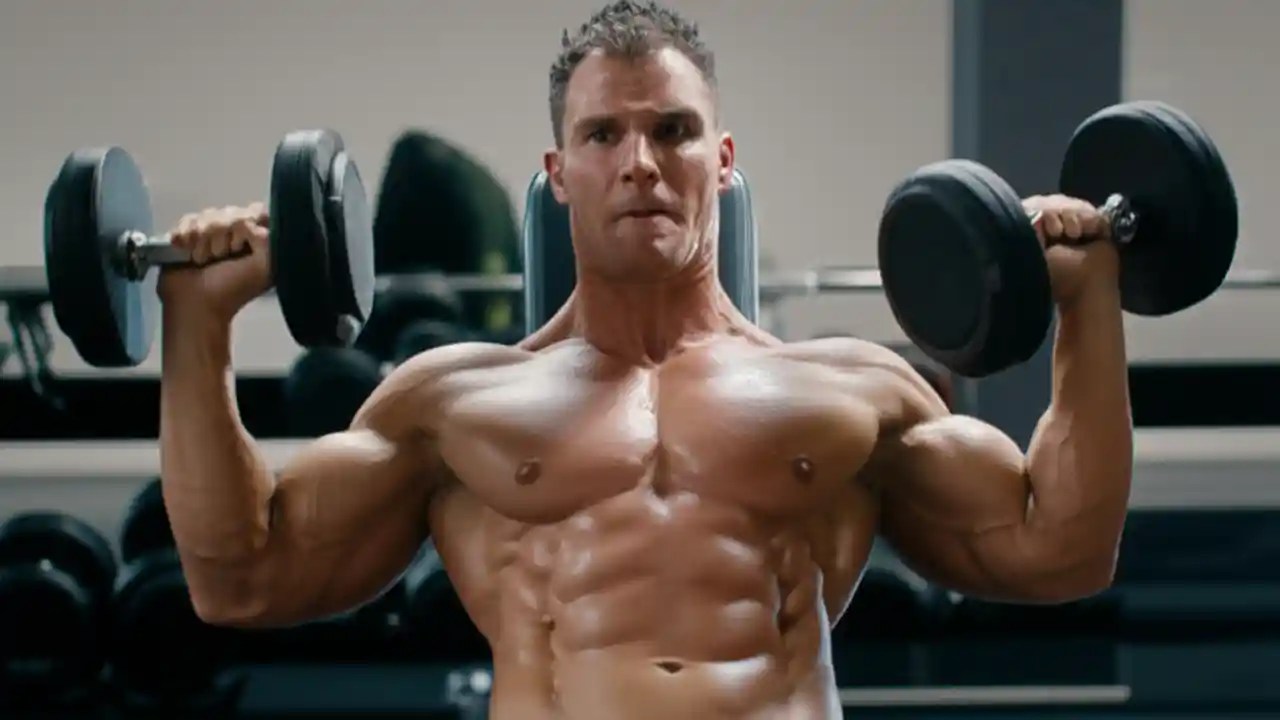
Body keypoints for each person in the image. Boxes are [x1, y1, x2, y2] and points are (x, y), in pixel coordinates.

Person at [156, 2, 1133, 718]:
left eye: (672, 130)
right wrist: (197, 325)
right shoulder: (448, 404)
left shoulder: (853, 393)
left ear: (721, 159)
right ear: (558, 172)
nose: (639, 163)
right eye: (603, 134)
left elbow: (1061, 551)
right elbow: (242, 580)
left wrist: (1088, 301)